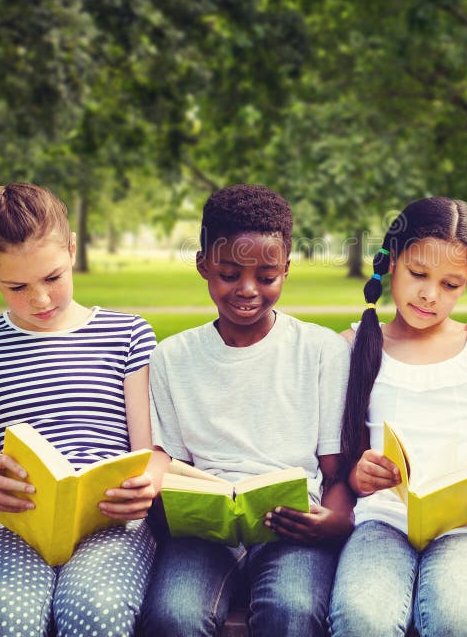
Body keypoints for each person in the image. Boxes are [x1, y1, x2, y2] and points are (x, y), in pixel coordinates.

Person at [0, 182, 164, 637]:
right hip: (17, 524)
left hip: (112, 521)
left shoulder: (128, 336)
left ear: (72, 249)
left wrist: (149, 482)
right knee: (7, 614)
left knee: (96, 610)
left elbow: (151, 451)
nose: (40, 300)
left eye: (53, 277)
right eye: (17, 287)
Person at [140, 183, 353, 637]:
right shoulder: (171, 357)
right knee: (173, 616)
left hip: (293, 528)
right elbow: (171, 465)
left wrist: (335, 522)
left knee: (292, 612)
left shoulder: (321, 351)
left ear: (287, 270)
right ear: (203, 266)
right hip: (205, 532)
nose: (248, 290)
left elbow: (335, 472)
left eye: (266, 276)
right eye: (230, 274)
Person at [327, 196, 467, 637]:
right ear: (392, 260)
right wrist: (361, 476)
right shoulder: (355, 345)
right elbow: (345, 467)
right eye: (418, 274)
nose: (430, 295)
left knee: (457, 618)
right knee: (362, 618)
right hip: (384, 517)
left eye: (451, 284)